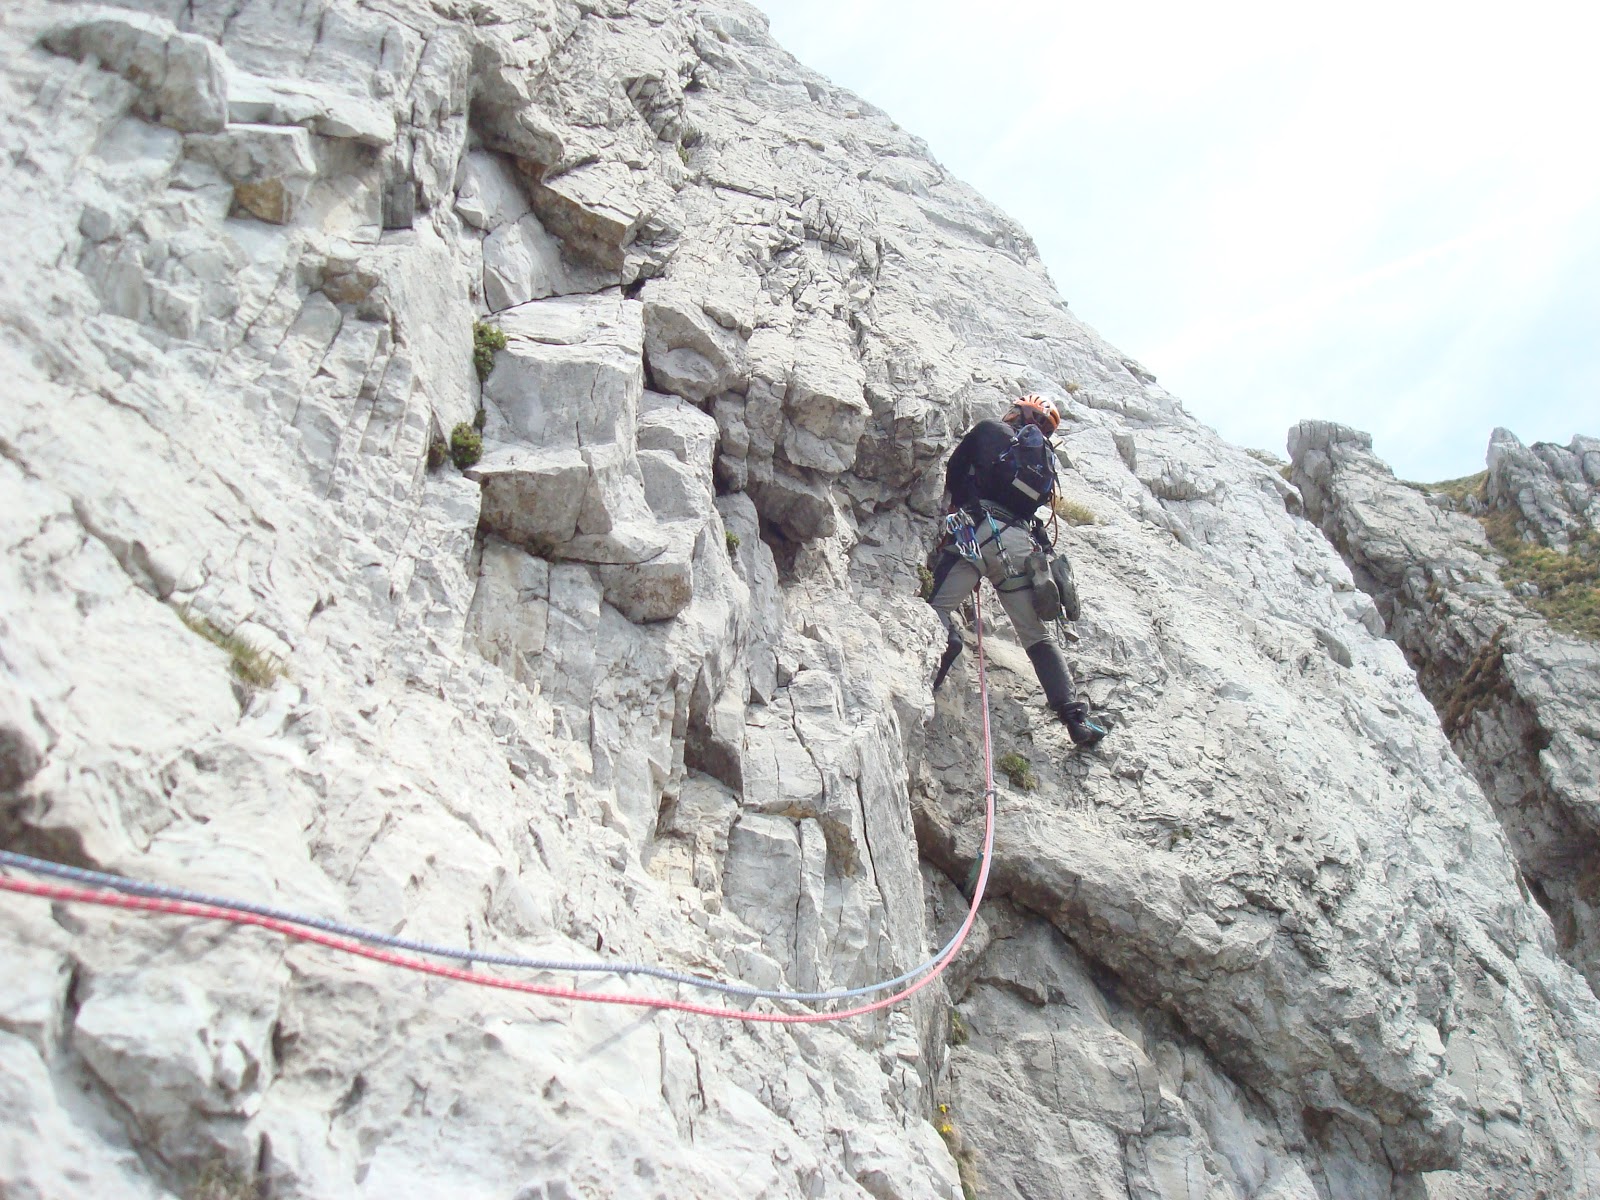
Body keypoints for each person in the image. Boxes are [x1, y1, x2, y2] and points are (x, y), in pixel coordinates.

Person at [927, 395, 1107, 747]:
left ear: (1020, 413)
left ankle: (944, 649)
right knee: (1037, 636)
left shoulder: (990, 430)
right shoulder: (1044, 462)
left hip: (975, 535)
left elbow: (954, 472)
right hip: (1019, 545)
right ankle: (1076, 721)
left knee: (936, 610)